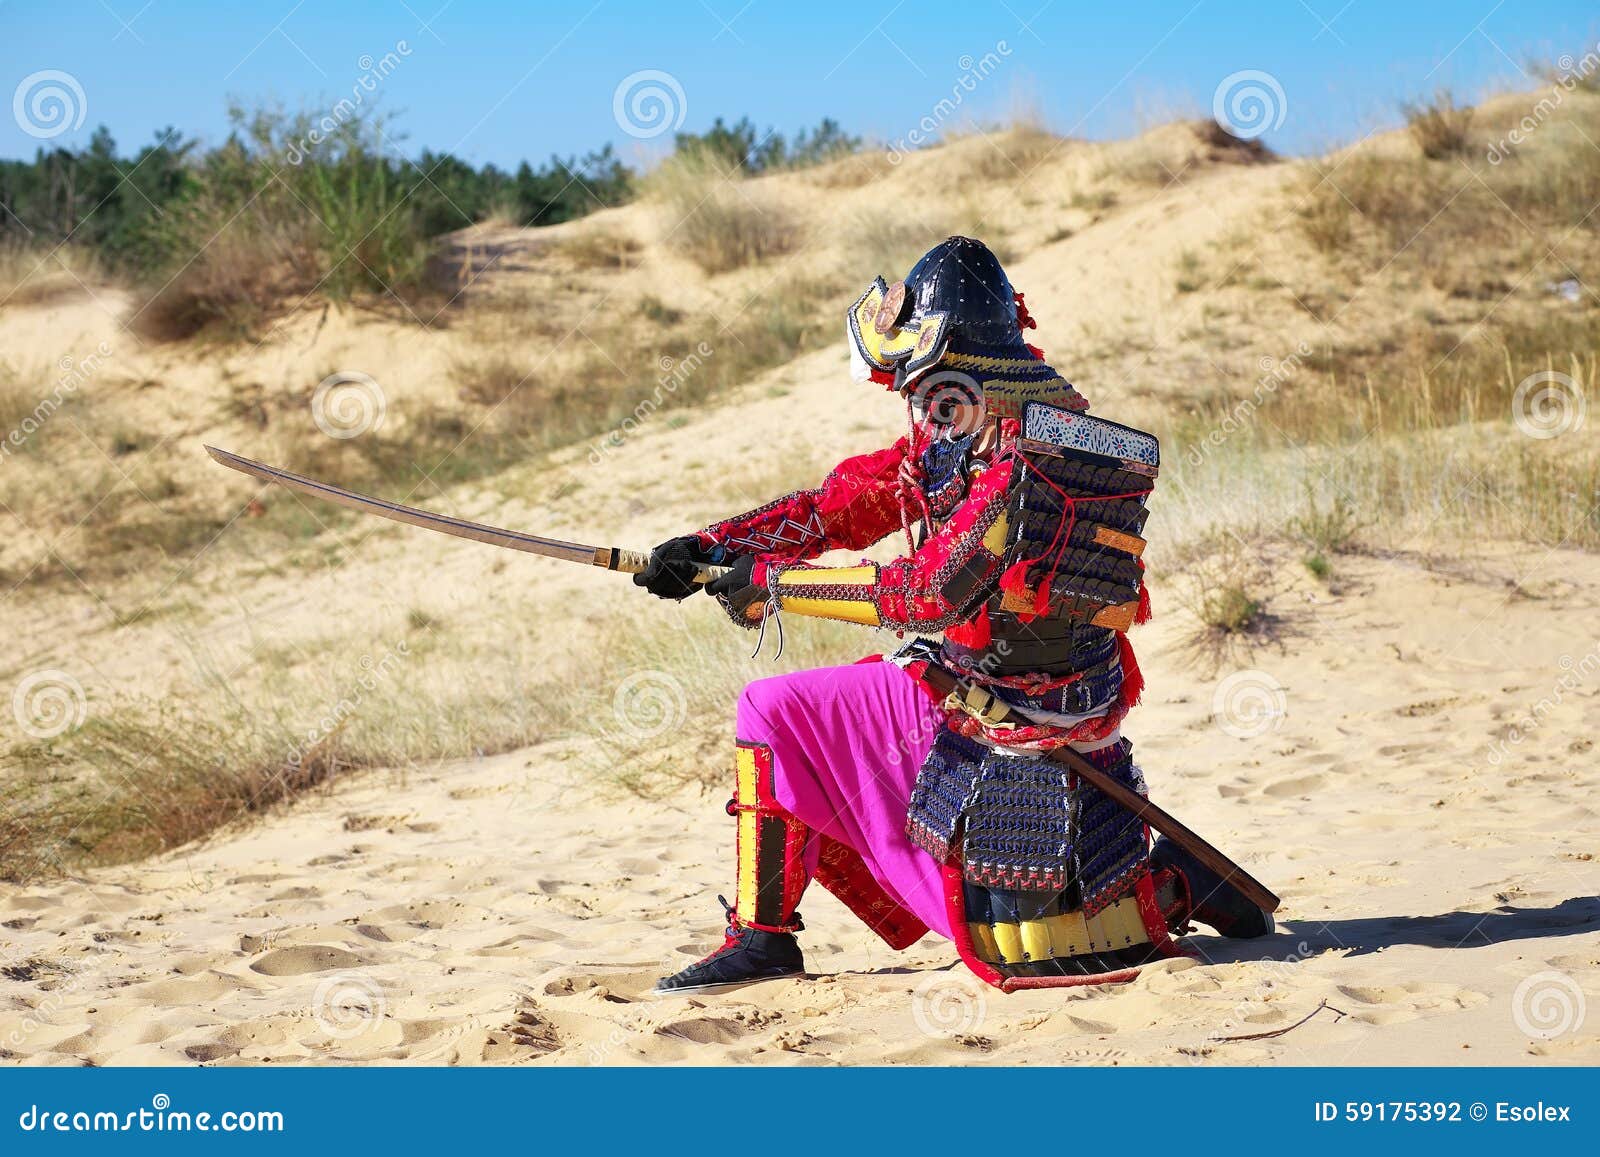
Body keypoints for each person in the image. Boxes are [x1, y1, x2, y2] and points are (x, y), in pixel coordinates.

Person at [635, 237, 1272, 995]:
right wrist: (709, 547)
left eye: (920, 379)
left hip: (1021, 717)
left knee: (1025, 940)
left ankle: (1174, 884)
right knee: (777, 710)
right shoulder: (976, 438)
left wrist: (773, 584)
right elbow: (839, 507)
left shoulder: (1026, 461)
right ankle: (761, 937)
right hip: (981, 694)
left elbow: (928, 593)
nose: (911, 398)